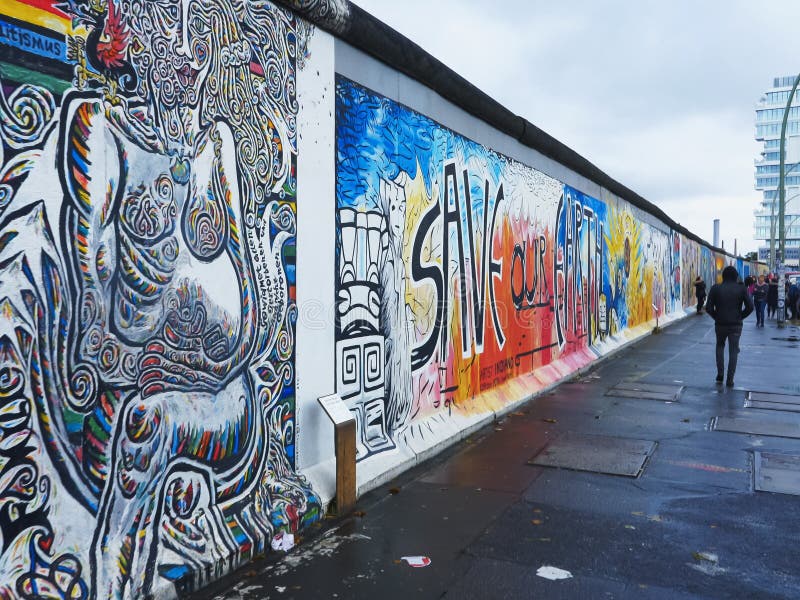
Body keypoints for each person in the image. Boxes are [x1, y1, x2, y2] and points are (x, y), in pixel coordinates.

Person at [705, 265, 754, 387]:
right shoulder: (741, 289)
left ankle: (720, 374)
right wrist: (740, 316)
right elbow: (750, 307)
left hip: (720, 324)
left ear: (723, 276)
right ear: (736, 276)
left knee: (720, 346)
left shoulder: (715, 288)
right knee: (733, 351)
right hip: (736, 325)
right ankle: (730, 379)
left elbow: (708, 308)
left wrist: (717, 317)